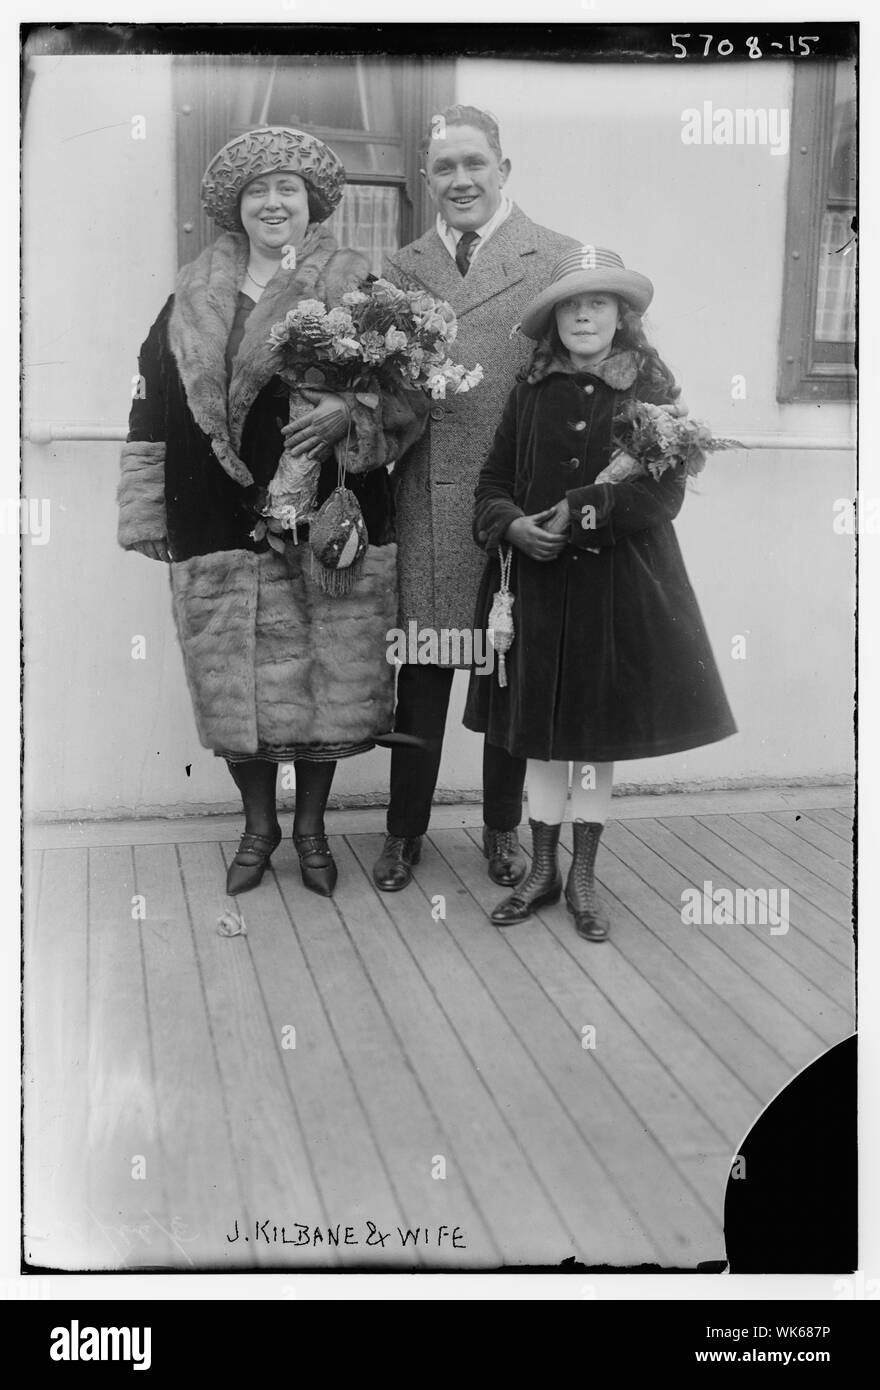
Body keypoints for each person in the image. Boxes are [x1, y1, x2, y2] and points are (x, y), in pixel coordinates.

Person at [117, 126, 424, 899]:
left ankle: (313, 832)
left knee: (328, 670)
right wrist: (149, 511)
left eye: (287, 188)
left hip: (326, 511)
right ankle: (259, 829)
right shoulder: (187, 299)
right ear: (238, 209)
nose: (273, 202)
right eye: (258, 191)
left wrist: (349, 416)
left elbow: (411, 397)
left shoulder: (360, 285)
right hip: (214, 510)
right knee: (236, 680)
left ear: (312, 202)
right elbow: (151, 407)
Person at [463, 246, 737, 940]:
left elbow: (663, 494)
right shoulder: (529, 393)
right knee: (542, 737)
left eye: (599, 302)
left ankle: (582, 876)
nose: (585, 314)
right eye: (572, 304)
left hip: (613, 592)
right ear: (555, 320)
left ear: (622, 317)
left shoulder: (650, 394)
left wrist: (583, 509)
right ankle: (542, 869)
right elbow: (491, 484)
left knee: (592, 735)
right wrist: (516, 527)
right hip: (536, 589)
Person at [372, 105, 580, 894]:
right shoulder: (398, 269)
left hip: (516, 506)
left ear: (503, 169)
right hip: (427, 501)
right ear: (426, 180)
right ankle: (402, 834)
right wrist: (404, 404)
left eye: (474, 164)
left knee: (506, 674)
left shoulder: (559, 259)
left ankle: (501, 831)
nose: (461, 180)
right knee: (423, 672)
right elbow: (382, 406)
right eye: (444, 169)